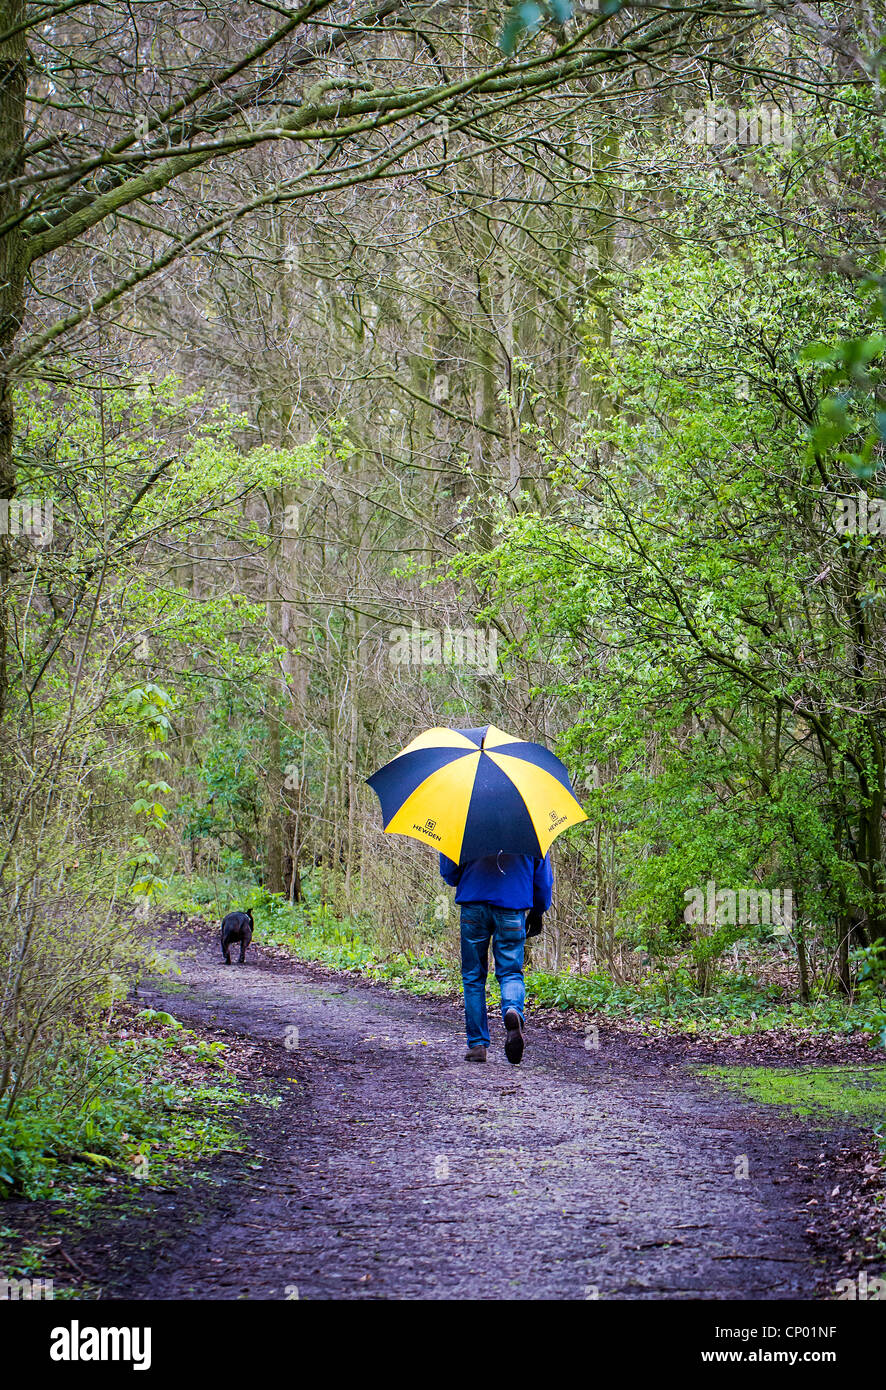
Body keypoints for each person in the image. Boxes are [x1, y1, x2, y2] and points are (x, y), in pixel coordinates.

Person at [439, 850, 553, 1065]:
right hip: (512, 906)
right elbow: (543, 881)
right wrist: (538, 911)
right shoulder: (529, 827)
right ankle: (512, 1009)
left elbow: (450, 873)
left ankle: (478, 1045)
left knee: (473, 976)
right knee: (510, 972)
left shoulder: (463, 823)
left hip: (473, 905)